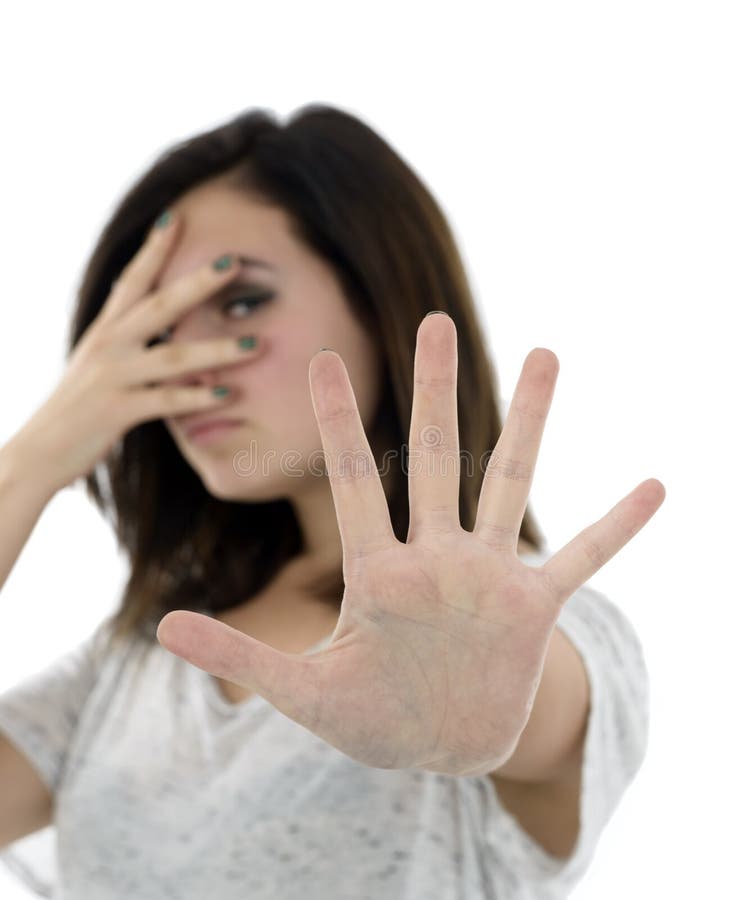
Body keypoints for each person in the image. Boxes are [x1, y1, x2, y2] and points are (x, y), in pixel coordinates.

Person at [0, 103, 662, 899]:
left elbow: (528, 698)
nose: (188, 369)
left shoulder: (509, 620)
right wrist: (29, 464)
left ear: (376, 294)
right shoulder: (139, 661)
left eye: (241, 303)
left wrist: (487, 684)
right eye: (156, 333)